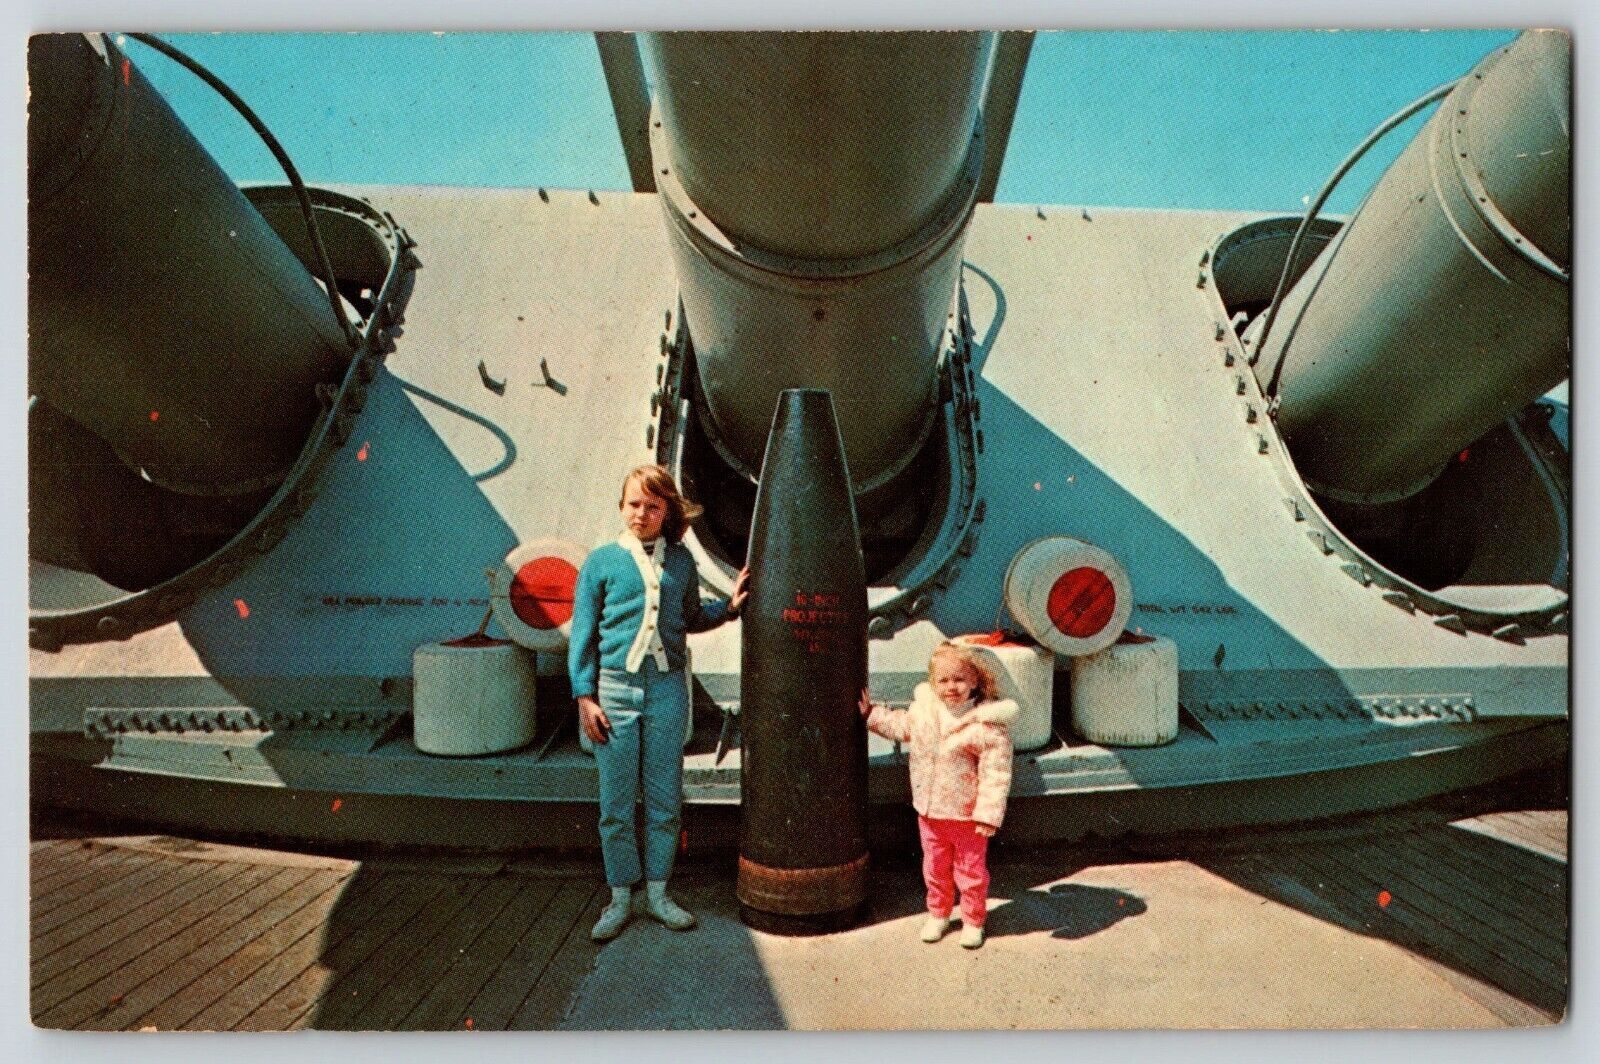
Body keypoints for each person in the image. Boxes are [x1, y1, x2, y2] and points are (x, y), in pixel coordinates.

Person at [569, 464, 749, 942]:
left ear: (667, 509)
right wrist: (585, 697)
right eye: (633, 504)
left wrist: (728, 608)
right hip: (614, 691)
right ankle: (620, 896)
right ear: (621, 507)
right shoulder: (601, 563)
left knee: (666, 797)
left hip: (667, 690)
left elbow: (688, 618)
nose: (641, 514)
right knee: (616, 801)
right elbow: (582, 637)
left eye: (652, 505)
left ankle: (658, 893)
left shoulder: (683, 563)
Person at [859, 641, 1016, 949]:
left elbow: (996, 775)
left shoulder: (987, 726)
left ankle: (973, 920)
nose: (952, 687)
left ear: (975, 681)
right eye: (943, 680)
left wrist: (987, 815)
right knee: (934, 867)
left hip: (968, 816)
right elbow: (901, 726)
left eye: (959, 679)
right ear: (933, 683)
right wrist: (872, 715)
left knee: (970, 871)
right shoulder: (924, 713)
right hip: (929, 811)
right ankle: (939, 913)